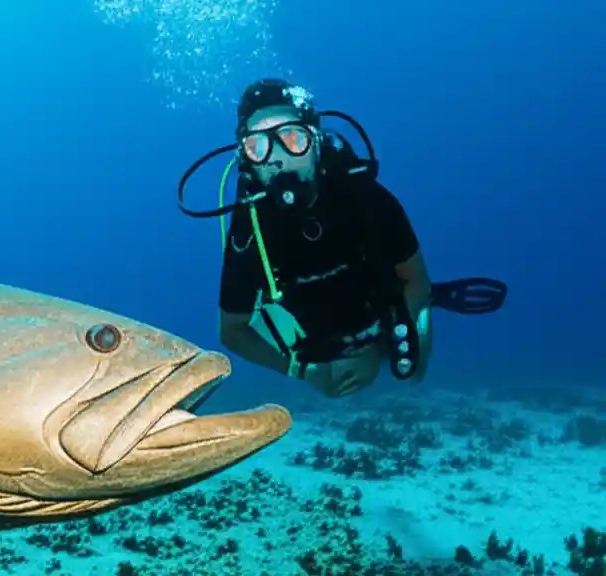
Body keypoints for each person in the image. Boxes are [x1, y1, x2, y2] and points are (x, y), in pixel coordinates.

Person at [175, 78, 507, 398]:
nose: (278, 159)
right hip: (320, 335)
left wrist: (378, 349)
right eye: (258, 146)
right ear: (246, 160)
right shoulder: (249, 233)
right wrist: (303, 371)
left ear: (316, 141)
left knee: (413, 373)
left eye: (293, 139)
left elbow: (416, 278)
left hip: (380, 311)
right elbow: (232, 331)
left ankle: (417, 318)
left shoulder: (365, 196)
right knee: (335, 386)